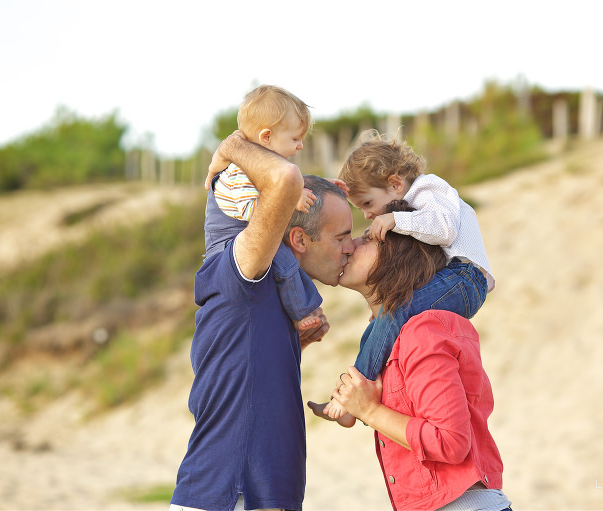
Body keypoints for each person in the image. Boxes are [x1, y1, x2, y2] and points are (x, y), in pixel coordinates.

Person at [170, 131, 354, 511]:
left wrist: (291, 346)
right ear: (299, 239)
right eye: (343, 237)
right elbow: (284, 181)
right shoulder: (242, 273)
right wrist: (234, 146)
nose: (352, 246)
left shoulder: (276, 295)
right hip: (228, 493)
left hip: (266, 493)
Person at [311, 200, 511, 511]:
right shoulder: (385, 341)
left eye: (366, 239)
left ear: (397, 256)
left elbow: (450, 442)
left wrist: (370, 411)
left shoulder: (423, 332)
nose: (351, 246)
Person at [323, 132, 494, 420]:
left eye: (367, 203)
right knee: (379, 323)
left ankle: (356, 395)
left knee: (395, 311)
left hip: (466, 278)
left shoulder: (429, 188)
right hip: (455, 277)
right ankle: (351, 391)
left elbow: (444, 229)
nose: (367, 215)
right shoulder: (414, 204)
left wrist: (394, 219)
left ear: (395, 183)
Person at [205, 84, 348, 332]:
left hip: (245, 235)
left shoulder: (255, 166)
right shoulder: (239, 173)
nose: (300, 146)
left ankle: (301, 306)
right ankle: (300, 311)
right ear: (267, 138)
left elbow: (283, 181)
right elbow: (254, 210)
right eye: (295, 139)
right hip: (229, 246)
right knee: (284, 261)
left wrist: (322, 185)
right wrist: (290, 201)